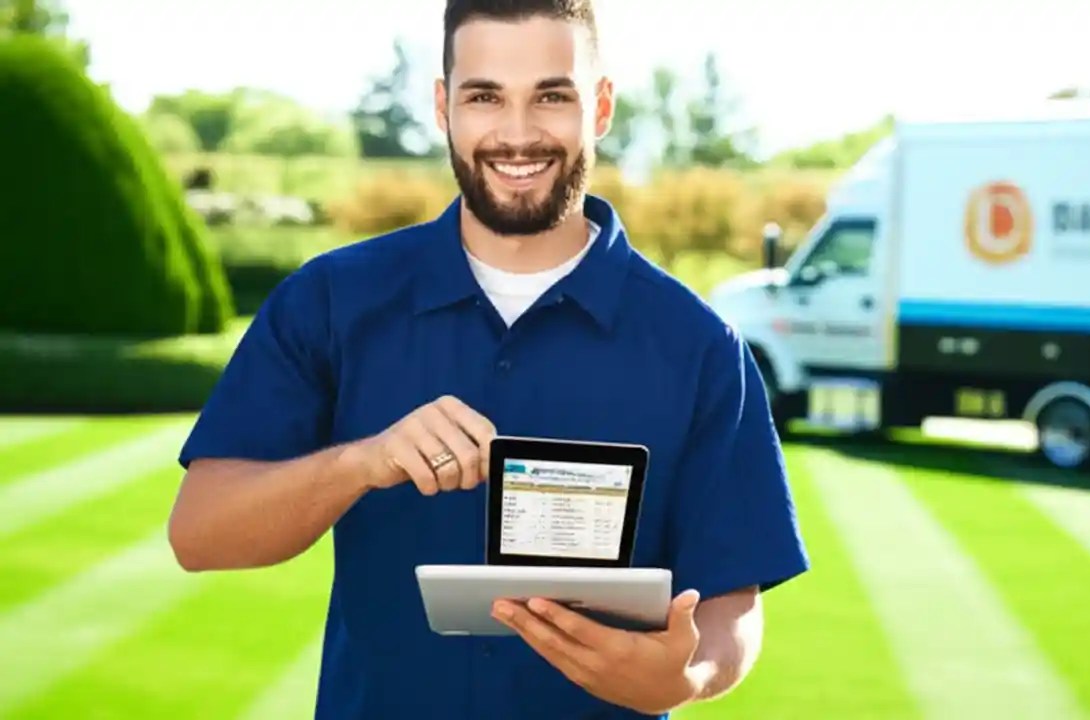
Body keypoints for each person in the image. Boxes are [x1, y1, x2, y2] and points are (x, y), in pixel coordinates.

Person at [167, 0, 809, 717]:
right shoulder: (329, 303)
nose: (518, 133)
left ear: (600, 107)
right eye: (485, 97)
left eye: (551, 96)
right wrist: (361, 463)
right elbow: (200, 534)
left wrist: (688, 677)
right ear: (444, 106)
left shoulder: (699, 345)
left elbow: (732, 601)